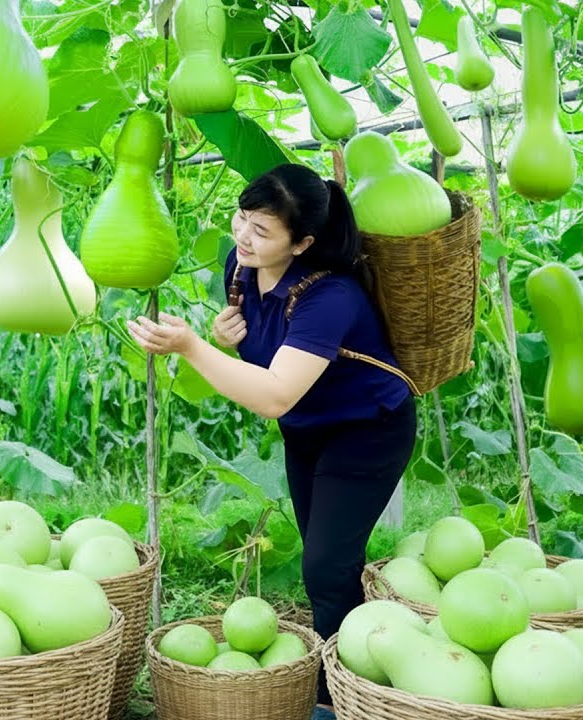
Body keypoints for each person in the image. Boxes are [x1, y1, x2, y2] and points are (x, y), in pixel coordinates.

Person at [126, 163, 417, 714]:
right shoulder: (240, 265)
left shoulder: (330, 297)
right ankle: (356, 659)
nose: (243, 236)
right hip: (307, 430)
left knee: (327, 566)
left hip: (367, 430)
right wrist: (222, 334)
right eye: (242, 218)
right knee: (327, 560)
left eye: (262, 231)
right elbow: (266, 350)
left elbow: (274, 395)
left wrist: (192, 347)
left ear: (303, 243)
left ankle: (341, 695)